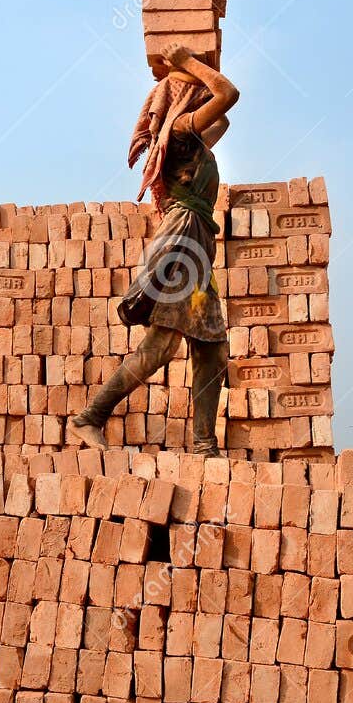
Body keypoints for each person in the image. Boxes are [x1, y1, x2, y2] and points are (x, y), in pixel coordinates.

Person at [68, 43, 239, 456]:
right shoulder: (178, 132)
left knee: (212, 349)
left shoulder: (192, 140)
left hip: (195, 248)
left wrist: (195, 73)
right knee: (161, 345)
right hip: (181, 247)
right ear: (183, 100)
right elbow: (229, 94)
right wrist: (188, 63)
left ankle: (204, 445)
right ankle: (91, 417)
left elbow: (224, 118)